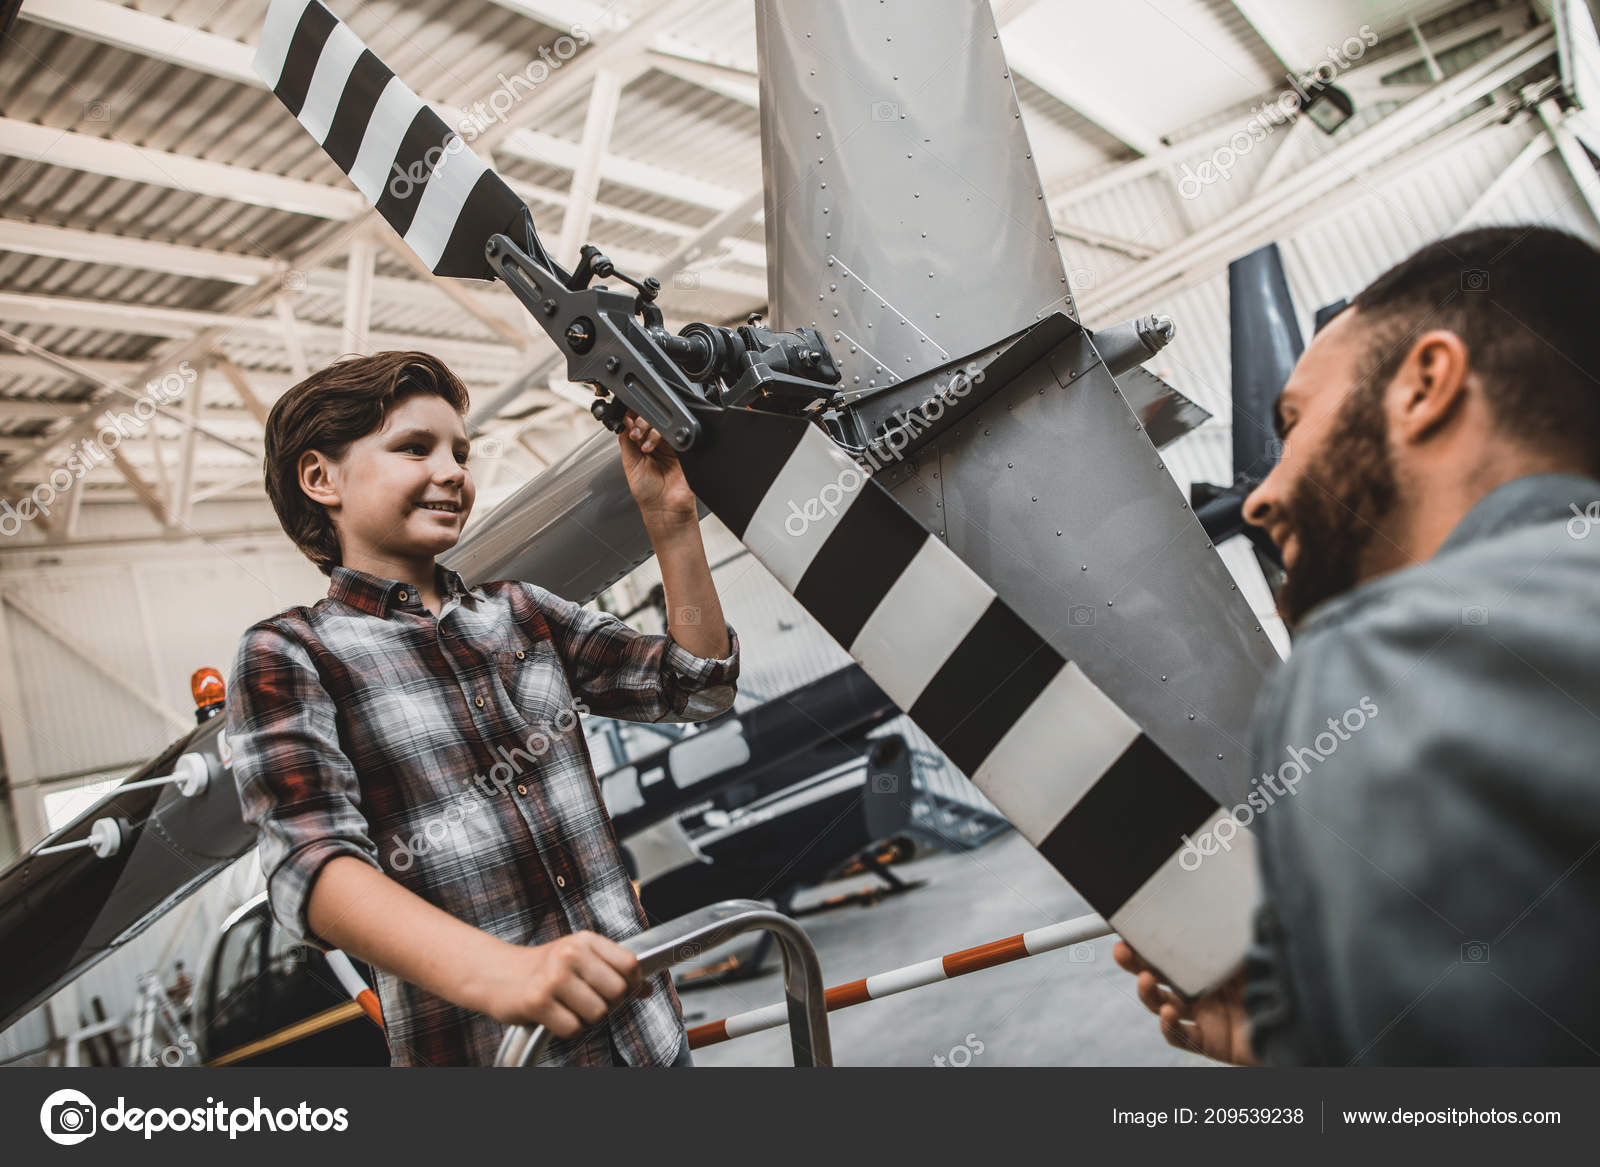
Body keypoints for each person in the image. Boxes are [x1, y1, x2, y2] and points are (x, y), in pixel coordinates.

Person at [1115, 225, 1600, 1065]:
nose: (1261, 498)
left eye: (1293, 421)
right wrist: (1313, 1034)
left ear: (1425, 385)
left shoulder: (1391, 656)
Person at [225, 352, 739, 1067]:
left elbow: (699, 685)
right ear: (320, 478)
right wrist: (506, 972)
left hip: (649, 1043)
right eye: (414, 447)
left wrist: (671, 521)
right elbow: (312, 867)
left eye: (460, 452)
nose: (453, 471)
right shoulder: (292, 652)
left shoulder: (522, 613)